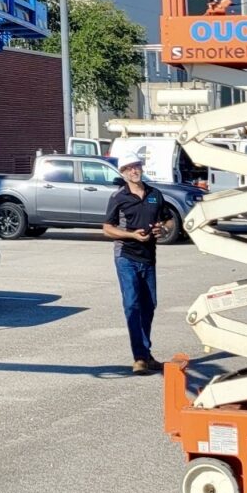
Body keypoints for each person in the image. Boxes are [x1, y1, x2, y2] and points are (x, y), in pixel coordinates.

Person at [102, 157, 177, 375]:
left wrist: (162, 229)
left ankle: (145, 353)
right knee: (132, 305)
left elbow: (168, 220)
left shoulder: (155, 194)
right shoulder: (118, 197)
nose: (134, 171)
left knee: (149, 305)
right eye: (129, 169)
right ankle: (140, 357)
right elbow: (107, 228)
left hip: (148, 257)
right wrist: (131, 235)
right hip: (126, 256)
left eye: (136, 167)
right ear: (123, 173)